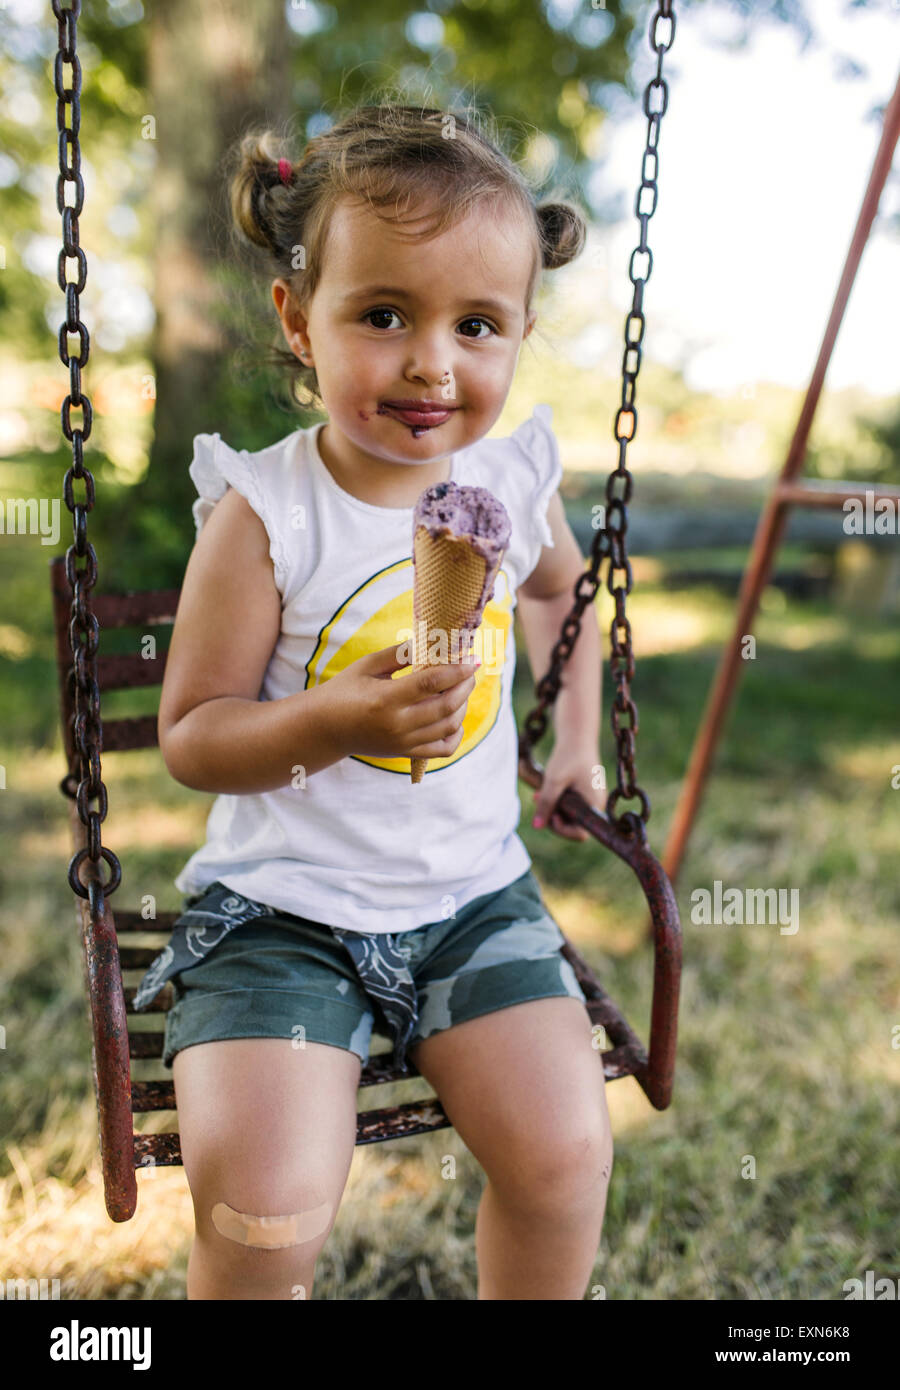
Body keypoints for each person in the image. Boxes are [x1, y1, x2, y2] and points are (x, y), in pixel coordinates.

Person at [135, 101, 611, 1301]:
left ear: (521, 333)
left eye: (478, 324)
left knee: (564, 1158)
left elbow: (567, 598)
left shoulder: (511, 476)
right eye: (385, 313)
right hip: (281, 918)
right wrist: (332, 721)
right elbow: (193, 735)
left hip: (474, 901)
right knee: (264, 1210)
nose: (431, 363)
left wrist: (579, 741)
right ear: (300, 318)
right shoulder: (266, 514)